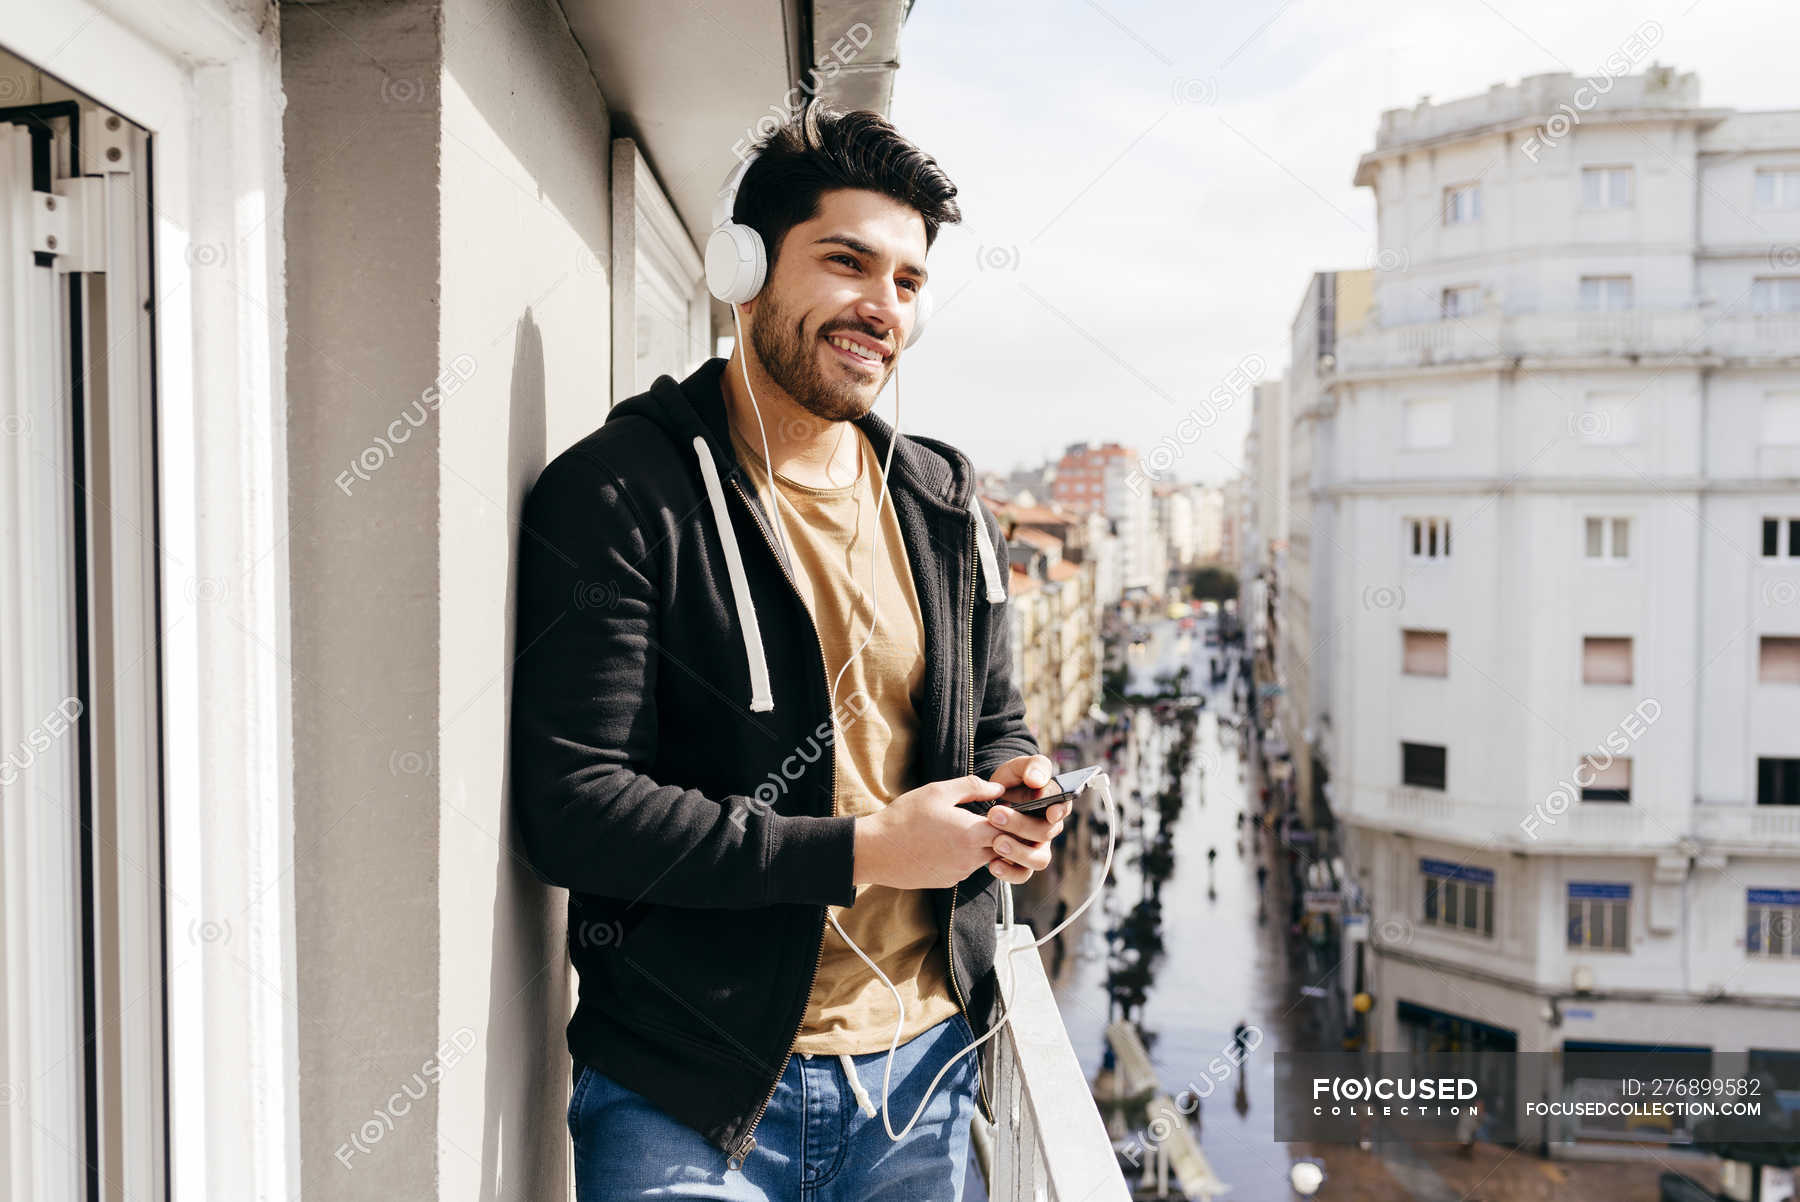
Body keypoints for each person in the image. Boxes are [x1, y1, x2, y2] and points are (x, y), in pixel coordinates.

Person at [510, 103, 1070, 1201]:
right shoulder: (623, 492)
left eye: (908, 282)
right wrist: (861, 849)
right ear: (743, 267)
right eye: (848, 263)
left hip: (923, 1078)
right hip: (688, 1092)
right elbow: (574, 805)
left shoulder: (945, 500)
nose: (882, 307)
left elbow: (992, 717)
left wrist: (1018, 784)